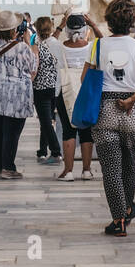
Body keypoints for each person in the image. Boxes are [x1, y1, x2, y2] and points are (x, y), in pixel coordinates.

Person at [83, 0, 135, 236]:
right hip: (132, 109)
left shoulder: (97, 45)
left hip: (105, 108)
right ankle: (126, 207)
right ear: (133, 20)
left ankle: (119, 220)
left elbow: (86, 79)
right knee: (129, 165)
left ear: (109, 20)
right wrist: (132, 99)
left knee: (111, 168)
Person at [0, 10, 37, 179]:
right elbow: (32, 67)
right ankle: (8, 168)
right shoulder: (21, 47)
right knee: (12, 131)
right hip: (16, 96)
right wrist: (28, 42)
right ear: (14, 30)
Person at [53, 14, 99, 181]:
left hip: (66, 91)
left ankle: (68, 171)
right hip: (86, 90)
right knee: (86, 131)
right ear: (84, 28)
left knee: (68, 130)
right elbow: (104, 41)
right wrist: (93, 24)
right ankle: (86, 171)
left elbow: (48, 43)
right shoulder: (91, 46)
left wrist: (59, 26)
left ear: (67, 29)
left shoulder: (59, 47)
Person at [31, 17, 63, 165]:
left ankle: (56, 152)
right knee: (47, 120)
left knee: (45, 122)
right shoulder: (57, 44)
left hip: (41, 88)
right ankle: (42, 150)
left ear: (37, 30)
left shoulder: (37, 46)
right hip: (54, 88)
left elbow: (34, 69)